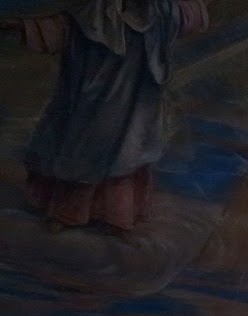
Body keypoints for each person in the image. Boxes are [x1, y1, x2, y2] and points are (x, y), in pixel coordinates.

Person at [7, 0, 209, 232]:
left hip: (133, 103)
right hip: (93, 100)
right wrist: (25, 27)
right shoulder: (96, 10)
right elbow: (66, 28)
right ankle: (68, 212)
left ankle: (116, 215)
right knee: (83, 149)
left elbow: (189, 18)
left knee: (126, 153)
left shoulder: (160, 11)